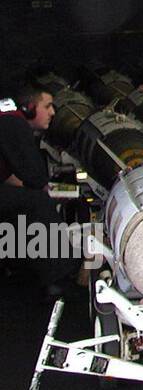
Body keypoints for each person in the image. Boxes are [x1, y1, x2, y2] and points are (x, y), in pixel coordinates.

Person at [0, 82, 75, 291]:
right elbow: (34, 176)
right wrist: (50, 190)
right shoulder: (14, 123)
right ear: (29, 108)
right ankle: (60, 276)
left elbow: (10, 177)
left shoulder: (7, 123)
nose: (52, 112)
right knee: (37, 202)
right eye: (48, 106)